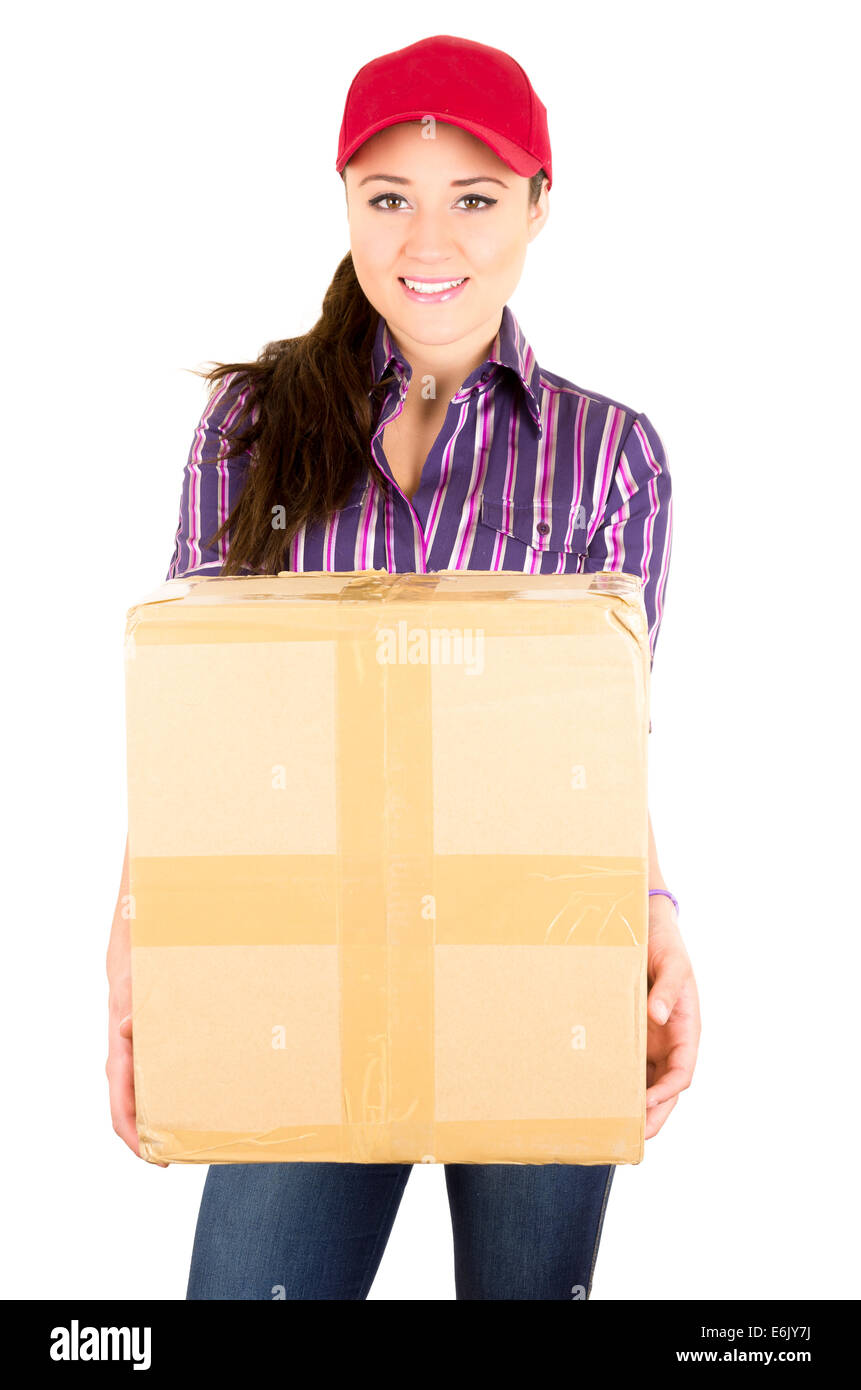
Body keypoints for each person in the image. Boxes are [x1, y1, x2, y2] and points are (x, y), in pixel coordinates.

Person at [106, 34, 701, 1301]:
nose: (430, 243)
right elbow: (197, 726)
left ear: (541, 205)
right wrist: (140, 950)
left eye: (474, 200)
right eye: (391, 199)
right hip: (304, 967)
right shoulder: (254, 422)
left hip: (537, 955)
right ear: (347, 206)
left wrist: (657, 919)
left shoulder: (612, 457)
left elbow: (603, 750)